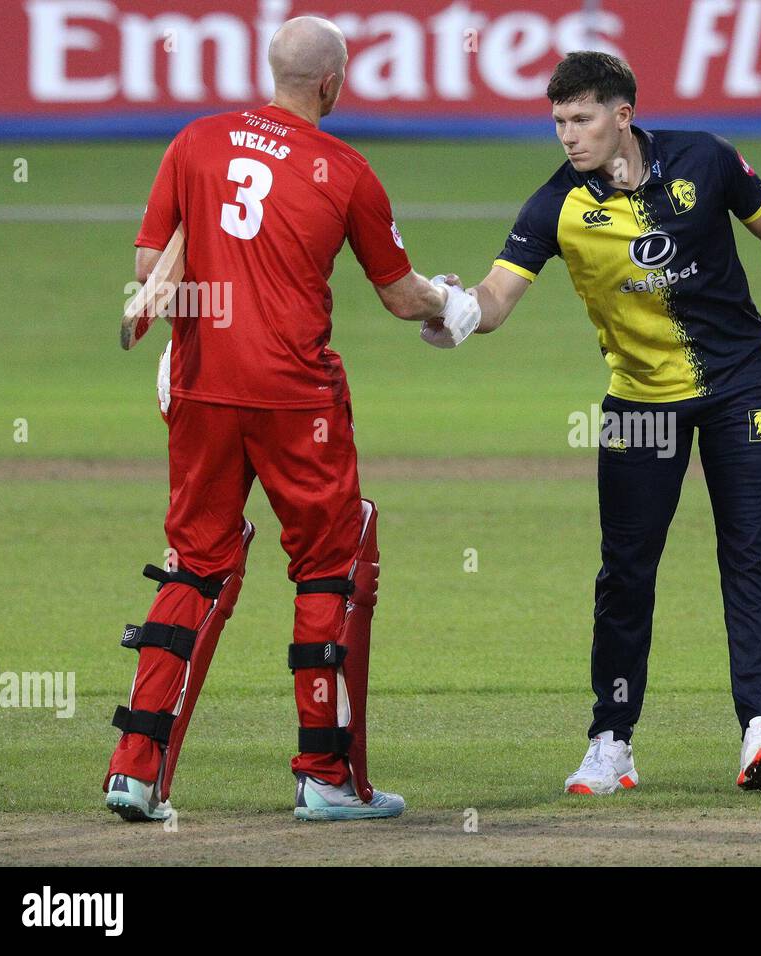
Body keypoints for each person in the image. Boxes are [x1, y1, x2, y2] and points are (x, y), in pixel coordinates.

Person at [104, 16, 480, 823]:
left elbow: (150, 274)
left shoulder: (195, 141)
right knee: (332, 564)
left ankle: (134, 771)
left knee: (195, 565)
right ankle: (327, 776)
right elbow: (397, 293)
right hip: (295, 399)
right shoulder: (346, 171)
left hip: (201, 386)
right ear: (331, 84)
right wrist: (455, 303)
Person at [431, 51, 761, 793]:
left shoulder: (705, 160)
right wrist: (446, 309)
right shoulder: (555, 204)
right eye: (558, 122)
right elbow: (492, 300)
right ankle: (612, 741)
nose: (568, 137)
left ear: (624, 115)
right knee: (624, 575)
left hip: (741, 391)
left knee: (752, 555)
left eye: (582, 119)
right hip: (641, 406)